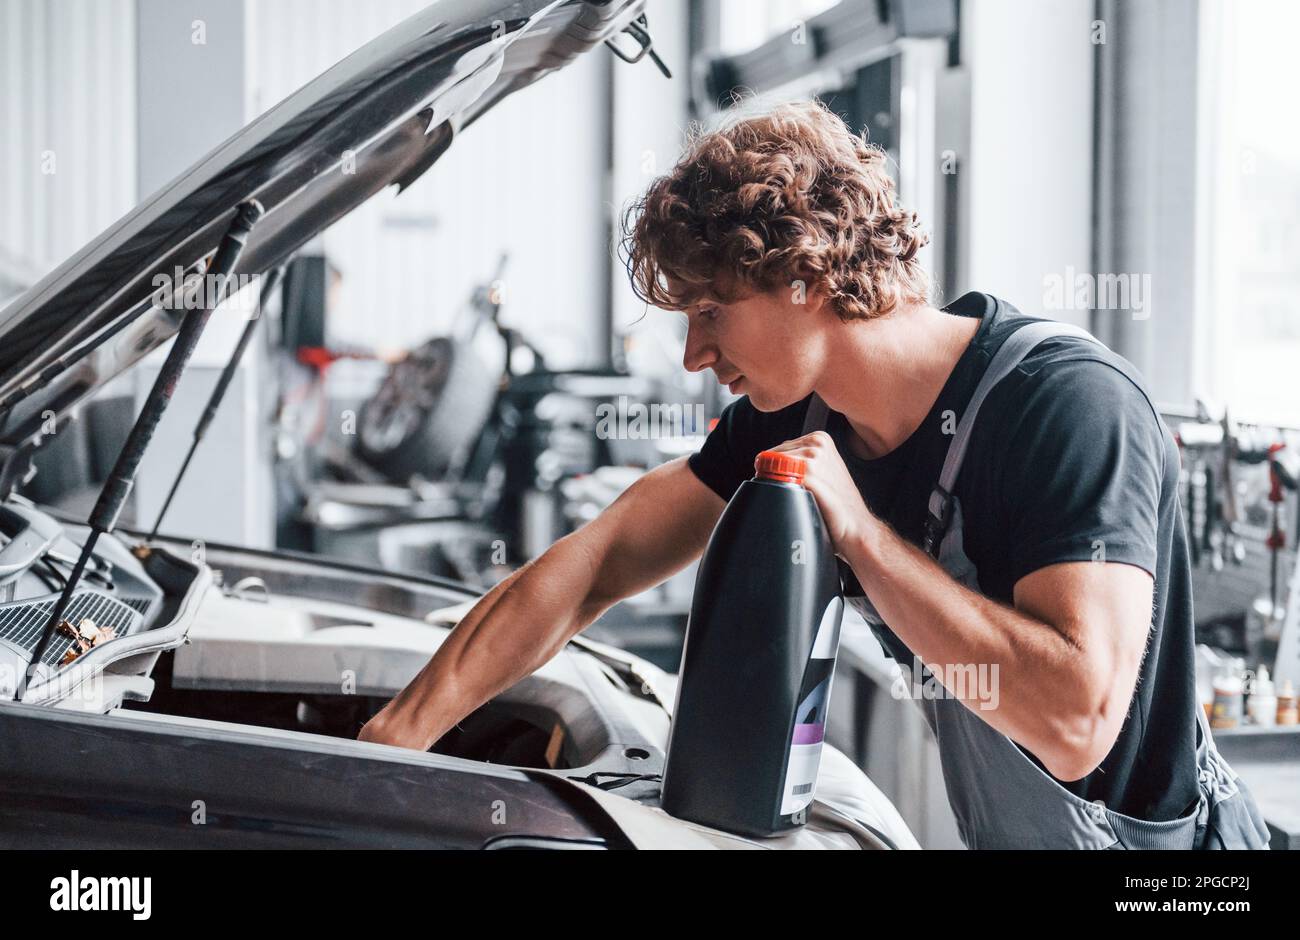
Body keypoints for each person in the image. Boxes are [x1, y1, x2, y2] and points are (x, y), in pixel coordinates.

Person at [360, 98, 1270, 849]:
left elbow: (1077, 722)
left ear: (807, 272)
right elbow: (599, 560)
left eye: (712, 309)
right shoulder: (794, 413)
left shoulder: (1065, 406)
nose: (692, 353)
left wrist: (865, 539)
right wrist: (398, 740)